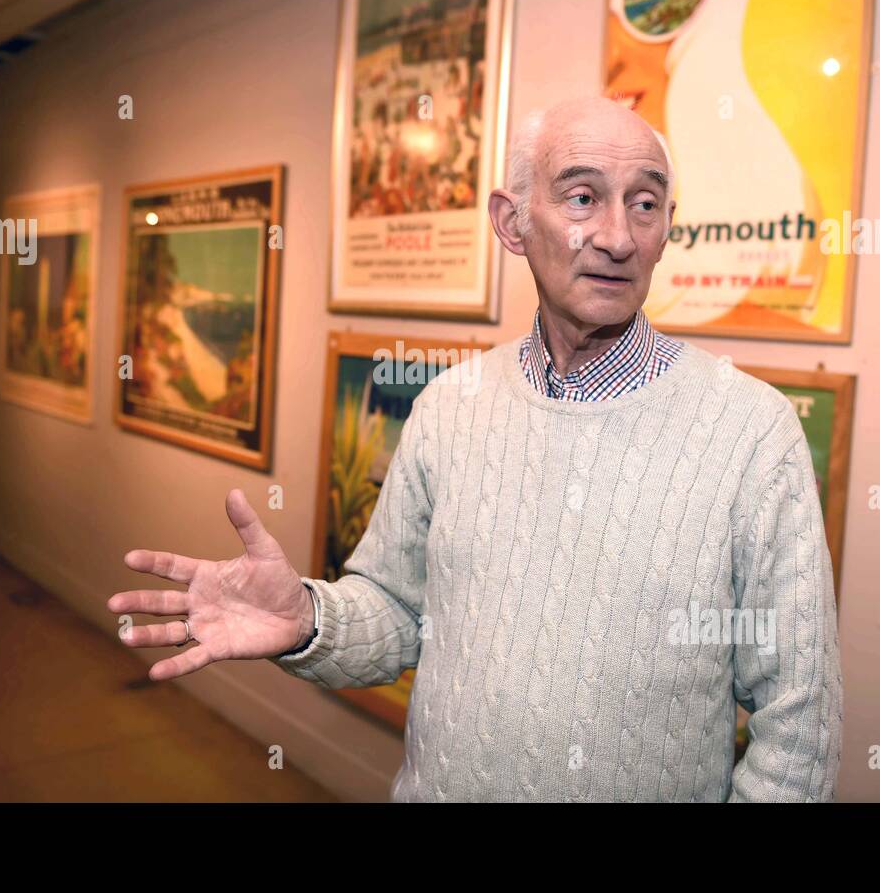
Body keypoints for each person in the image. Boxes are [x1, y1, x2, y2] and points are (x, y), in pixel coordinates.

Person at [109, 95, 842, 802]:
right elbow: (396, 610)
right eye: (582, 197)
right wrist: (306, 617)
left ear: (666, 227)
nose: (618, 236)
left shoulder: (750, 433)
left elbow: (799, 727)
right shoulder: (446, 410)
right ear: (512, 221)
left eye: (644, 204)